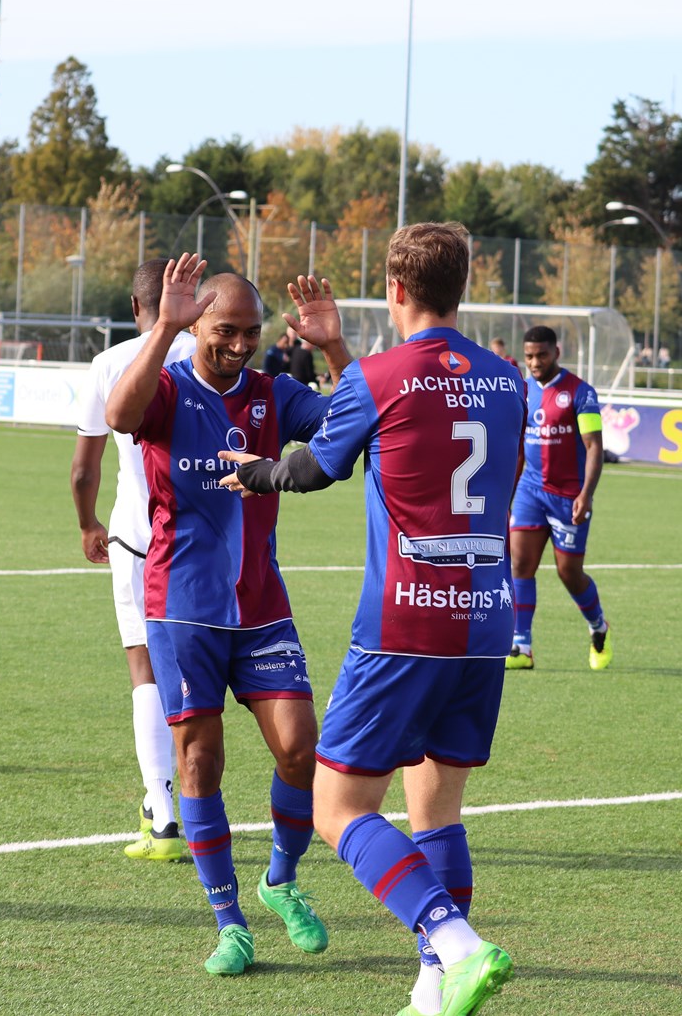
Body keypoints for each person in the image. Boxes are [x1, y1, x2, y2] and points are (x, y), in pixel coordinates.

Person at [218, 221, 522, 1016]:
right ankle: (432, 991)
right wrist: (340, 352)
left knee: (339, 808)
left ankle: (458, 946)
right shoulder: (508, 380)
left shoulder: (382, 376)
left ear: (394, 290)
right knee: (436, 810)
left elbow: (320, 461)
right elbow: (410, 421)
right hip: (485, 620)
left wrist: (255, 472)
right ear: (462, 286)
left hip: (403, 624)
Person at [105, 253, 349, 977]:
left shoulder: (275, 393)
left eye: (251, 330)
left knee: (301, 747)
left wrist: (332, 346)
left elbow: (362, 416)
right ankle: (230, 920)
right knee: (201, 761)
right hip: (182, 609)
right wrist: (166, 332)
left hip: (262, 606)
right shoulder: (168, 386)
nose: (241, 343)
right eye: (225, 330)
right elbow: (120, 415)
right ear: (196, 323)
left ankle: (281, 880)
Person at [70, 258, 193, 862]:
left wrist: (87, 522)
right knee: (206, 674)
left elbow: (84, 466)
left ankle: (162, 813)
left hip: (136, 537)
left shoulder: (109, 362)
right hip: (205, 537)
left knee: (144, 668)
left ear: (133, 303)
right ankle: (198, 807)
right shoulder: (213, 347)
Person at [507, 325, 609, 671]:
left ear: (557, 352)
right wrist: (509, 491)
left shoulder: (581, 393)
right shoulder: (522, 392)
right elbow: (519, 447)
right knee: (520, 564)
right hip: (530, 492)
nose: (535, 362)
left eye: (542, 355)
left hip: (569, 497)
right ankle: (521, 646)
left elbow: (594, 447)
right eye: (530, 356)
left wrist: (587, 494)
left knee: (570, 573)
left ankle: (598, 625)